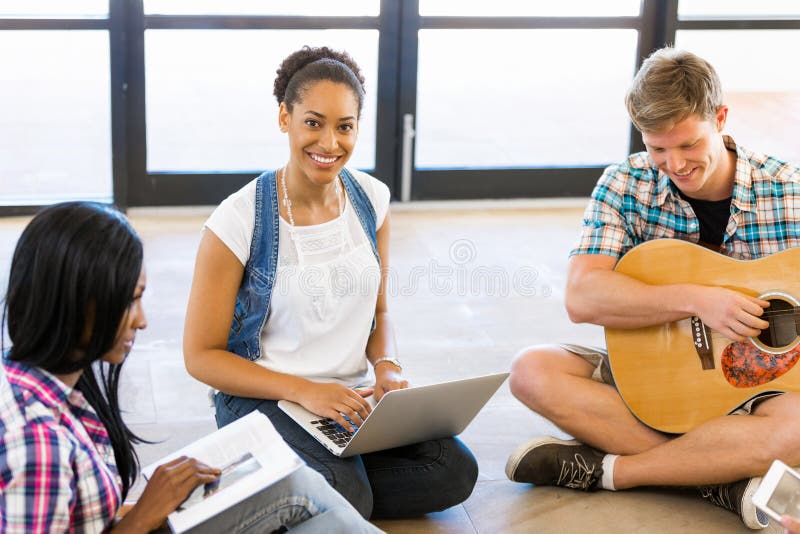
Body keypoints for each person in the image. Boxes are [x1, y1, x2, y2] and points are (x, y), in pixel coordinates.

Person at [505, 47, 800, 530]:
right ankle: (722, 478)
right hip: (656, 381)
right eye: (657, 148)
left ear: (720, 118)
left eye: (688, 145)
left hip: (767, 393)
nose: (674, 164)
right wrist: (697, 299)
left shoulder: (790, 190)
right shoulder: (625, 183)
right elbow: (582, 297)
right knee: (531, 371)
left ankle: (614, 472)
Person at [182, 45, 478, 519]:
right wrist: (304, 390)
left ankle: (311, 491)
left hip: (347, 404)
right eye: (313, 123)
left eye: (345, 126)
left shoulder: (371, 199)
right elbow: (201, 356)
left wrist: (386, 367)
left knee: (452, 469)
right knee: (347, 491)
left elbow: (379, 313)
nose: (329, 143)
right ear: (285, 118)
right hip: (267, 399)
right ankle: (328, 489)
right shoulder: (237, 220)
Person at [0, 201, 381, 533]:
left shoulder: (41, 383)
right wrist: (141, 517)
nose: (142, 321)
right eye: (129, 301)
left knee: (304, 491)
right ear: (76, 302)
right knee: (322, 509)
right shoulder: (37, 445)